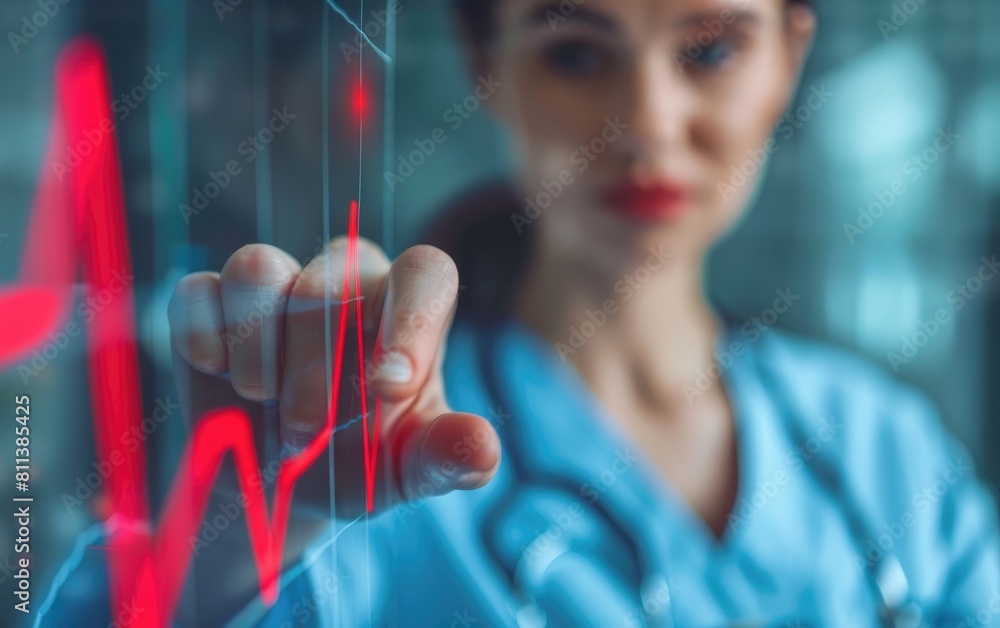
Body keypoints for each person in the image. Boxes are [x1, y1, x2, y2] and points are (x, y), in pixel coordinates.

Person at [49, 0, 1000, 625]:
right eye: (577, 52)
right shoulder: (375, 446)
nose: (650, 124)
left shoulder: (887, 452)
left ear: (790, 55)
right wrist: (229, 533)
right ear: (485, 63)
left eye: (709, 50)